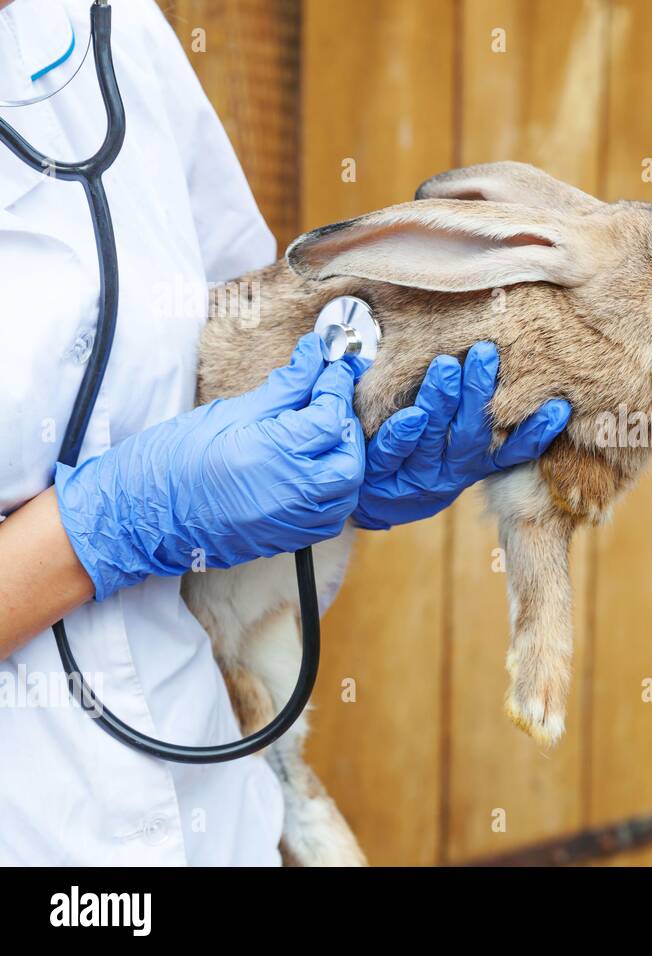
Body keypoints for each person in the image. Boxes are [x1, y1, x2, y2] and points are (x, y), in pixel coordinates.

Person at [0, 0, 569, 865]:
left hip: (206, 808)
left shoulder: (109, 29)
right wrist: (101, 528)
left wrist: (344, 443)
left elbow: (241, 330)